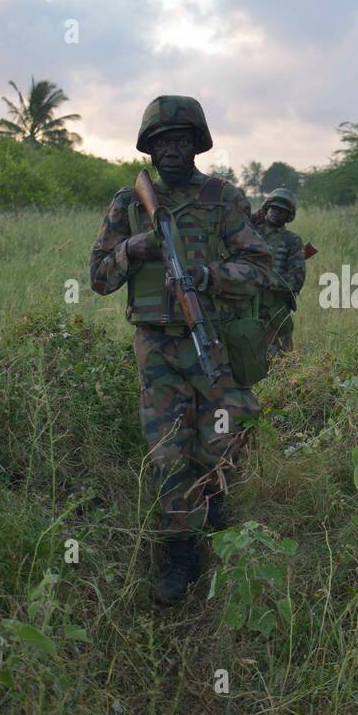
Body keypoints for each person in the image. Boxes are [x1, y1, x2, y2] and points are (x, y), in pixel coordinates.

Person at [88, 95, 270, 605]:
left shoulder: (224, 199)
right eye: (162, 141)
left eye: (182, 140)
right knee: (169, 452)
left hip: (213, 339)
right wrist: (132, 249)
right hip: (157, 348)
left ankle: (214, 505)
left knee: (225, 432)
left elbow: (259, 267)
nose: (172, 150)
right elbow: (99, 279)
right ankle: (182, 554)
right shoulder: (129, 204)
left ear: (197, 145)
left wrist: (211, 276)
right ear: (148, 147)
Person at [251, 188, 306, 357]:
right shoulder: (250, 231)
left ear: (289, 216)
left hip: (274, 307)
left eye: (282, 211)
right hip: (247, 304)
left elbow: (297, 278)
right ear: (266, 209)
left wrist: (267, 281)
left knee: (280, 360)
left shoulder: (292, 240)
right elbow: (231, 223)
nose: (276, 213)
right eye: (273, 208)